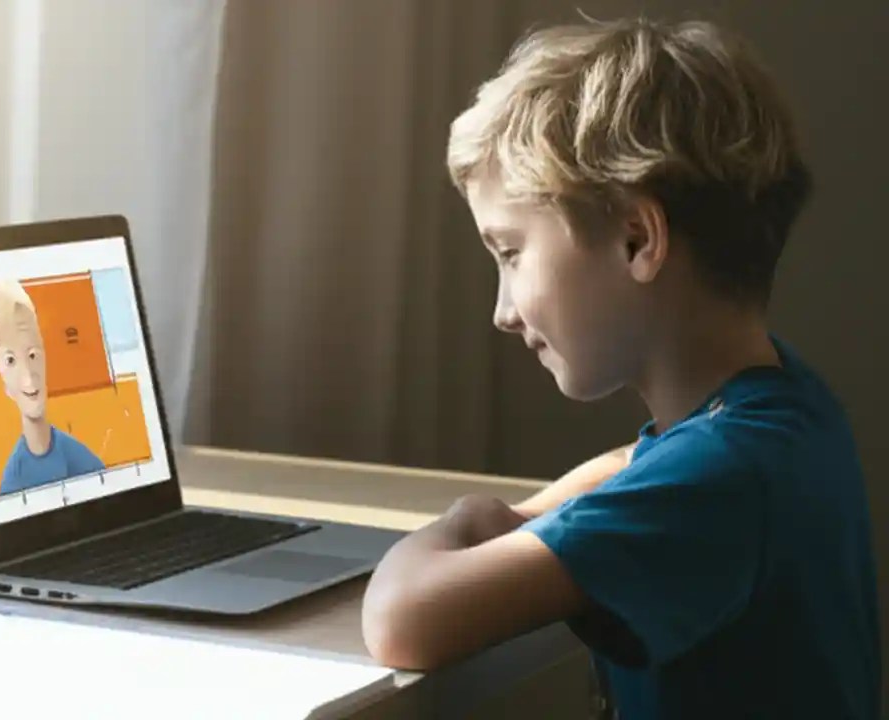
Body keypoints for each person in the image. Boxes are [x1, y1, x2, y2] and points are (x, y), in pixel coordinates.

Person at [360, 17, 880, 719]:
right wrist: (517, 518)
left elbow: (403, 621)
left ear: (638, 238)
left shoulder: (719, 475)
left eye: (511, 254)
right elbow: (625, 466)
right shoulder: (782, 411)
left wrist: (465, 518)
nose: (503, 311)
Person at [0, 277, 106, 495]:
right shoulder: (15, 479)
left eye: (33, 355)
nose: (28, 378)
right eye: (11, 361)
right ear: (2, 377)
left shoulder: (76, 455)